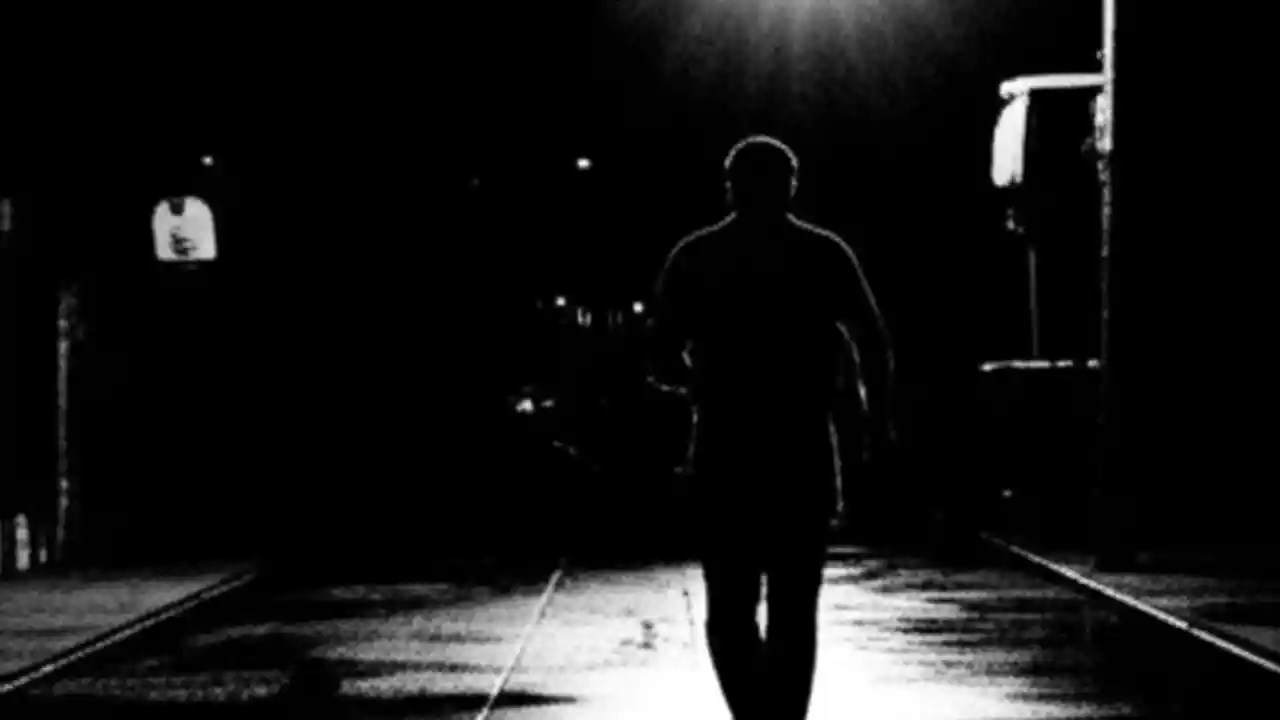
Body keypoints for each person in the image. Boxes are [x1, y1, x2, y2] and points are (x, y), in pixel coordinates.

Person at [647, 135, 894, 720]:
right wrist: (875, 422)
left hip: (725, 449)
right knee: (794, 609)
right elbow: (874, 342)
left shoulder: (696, 256)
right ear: (792, 184)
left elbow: (657, 355)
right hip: (802, 450)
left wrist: (701, 381)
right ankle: (783, 715)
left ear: (730, 185)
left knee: (729, 609)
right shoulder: (824, 253)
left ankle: (753, 712)